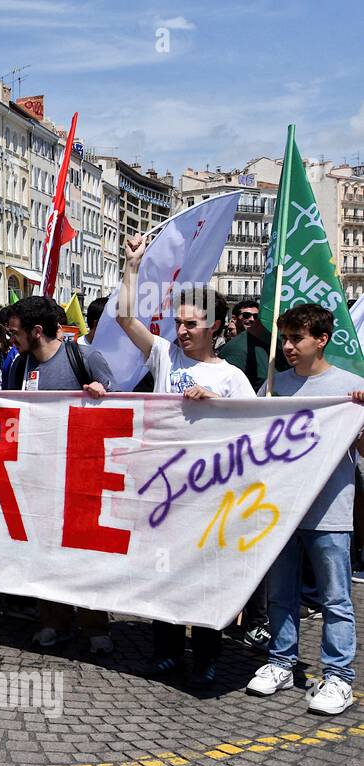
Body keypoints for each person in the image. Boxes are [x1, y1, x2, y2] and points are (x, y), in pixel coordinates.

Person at [116, 234, 257, 682]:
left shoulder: (232, 377)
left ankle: (209, 654)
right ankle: (167, 649)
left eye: (192, 324)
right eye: (178, 322)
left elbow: (256, 430)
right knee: (165, 574)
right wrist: (132, 266)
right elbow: (124, 317)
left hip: (210, 496)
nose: (182, 331)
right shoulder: (164, 354)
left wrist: (218, 402)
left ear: (215, 326)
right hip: (162, 491)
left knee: (206, 579)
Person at [245, 303, 364, 715]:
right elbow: (247, 432)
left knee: (335, 598)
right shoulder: (275, 385)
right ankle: (280, 661)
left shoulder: (350, 387)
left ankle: (339, 677)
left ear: (322, 340)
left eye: (297, 338)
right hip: (279, 510)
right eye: (286, 338)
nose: (289, 347)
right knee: (281, 592)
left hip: (329, 511)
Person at [0, 297, 116, 651]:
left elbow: (121, 408)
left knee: (83, 554)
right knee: (43, 553)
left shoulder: (84, 358)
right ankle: (53, 621)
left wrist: (102, 396)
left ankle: (95, 626)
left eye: (14, 333)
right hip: (38, 477)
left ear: (36, 331)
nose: (10, 339)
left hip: (81, 477)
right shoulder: (19, 365)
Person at [218, 298, 286, 392]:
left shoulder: (270, 344)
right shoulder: (234, 348)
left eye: (256, 316)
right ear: (234, 319)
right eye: (246, 315)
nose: (252, 319)